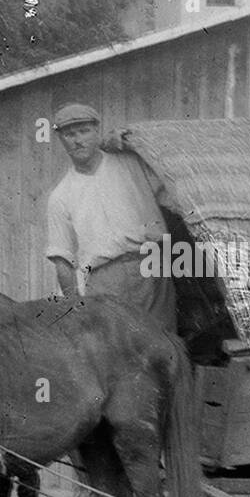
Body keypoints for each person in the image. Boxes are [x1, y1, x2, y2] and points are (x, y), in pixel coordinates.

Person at [45, 103, 178, 332]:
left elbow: (173, 193)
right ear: (61, 139)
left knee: (162, 347)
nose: (78, 140)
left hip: (152, 267)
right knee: (115, 356)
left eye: (84, 131)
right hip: (104, 279)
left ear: (97, 131)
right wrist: (75, 306)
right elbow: (62, 260)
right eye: (69, 134)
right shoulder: (60, 196)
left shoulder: (132, 163)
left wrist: (135, 139)